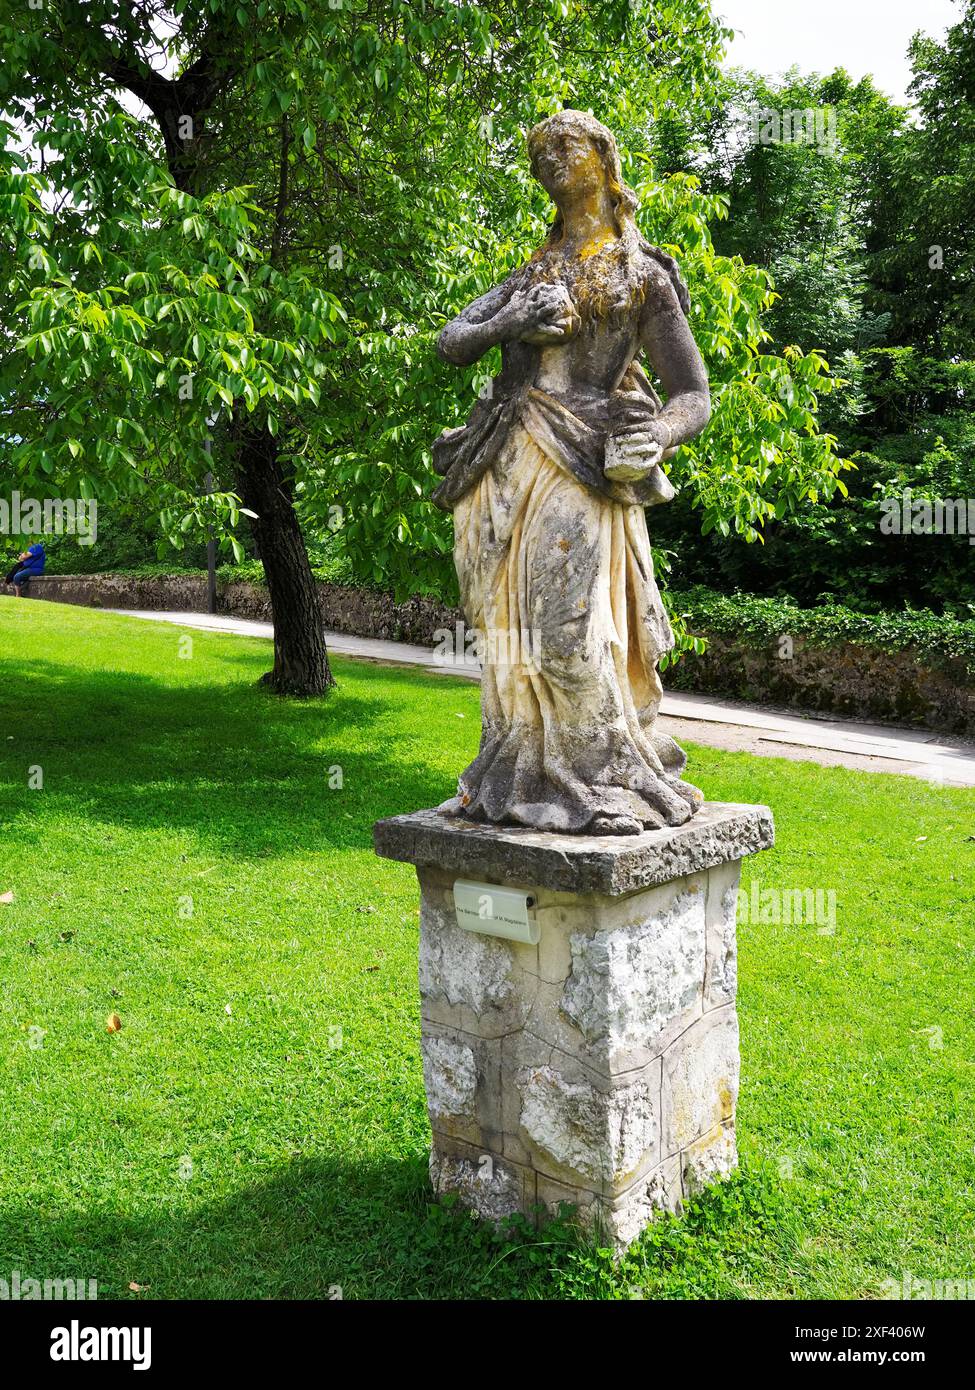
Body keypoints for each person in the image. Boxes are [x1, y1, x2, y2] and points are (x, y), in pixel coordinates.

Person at [432, 110, 711, 836]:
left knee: (563, 628)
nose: (551, 158)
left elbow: (693, 395)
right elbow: (452, 341)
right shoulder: (530, 275)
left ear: (602, 157)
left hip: (582, 456)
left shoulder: (641, 273)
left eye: (566, 145)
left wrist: (657, 433)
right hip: (501, 456)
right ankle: (509, 773)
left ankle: (601, 778)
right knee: (503, 630)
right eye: (538, 151)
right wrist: (509, 324)